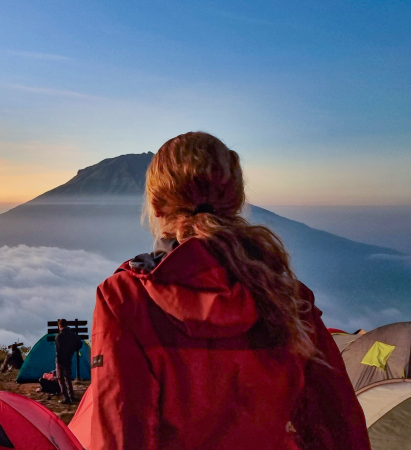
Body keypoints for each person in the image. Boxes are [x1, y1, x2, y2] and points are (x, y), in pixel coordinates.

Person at [88, 132, 370, 450]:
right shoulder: (290, 298)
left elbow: (122, 435)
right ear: (236, 202)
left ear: (155, 206)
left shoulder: (125, 300)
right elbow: (339, 427)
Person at [55, 318, 81, 404]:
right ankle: (71, 395)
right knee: (68, 378)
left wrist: (58, 361)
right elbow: (79, 343)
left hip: (61, 359)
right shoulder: (72, 334)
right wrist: (72, 350)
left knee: (61, 378)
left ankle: (66, 397)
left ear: (59, 326)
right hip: (68, 357)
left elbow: (58, 350)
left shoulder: (59, 336)